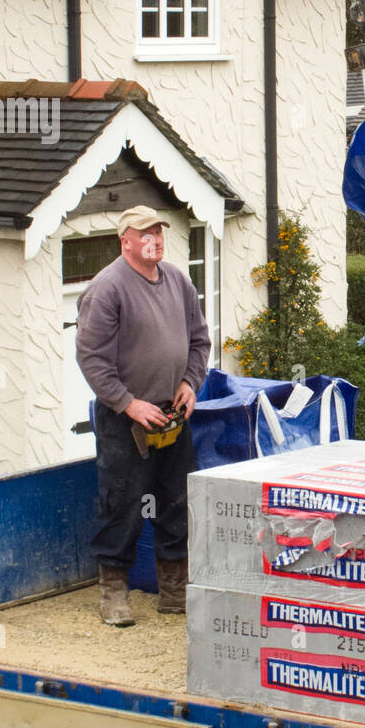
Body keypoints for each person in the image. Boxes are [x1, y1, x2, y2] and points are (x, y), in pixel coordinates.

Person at [75, 206, 211, 626]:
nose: (154, 237)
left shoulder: (178, 281)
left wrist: (190, 381)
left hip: (173, 414)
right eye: (144, 232)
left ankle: (174, 590)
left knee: (176, 502)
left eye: (158, 230)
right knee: (123, 504)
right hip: (126, 419)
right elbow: (92, 358)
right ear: (125, 241)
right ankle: (113, 592)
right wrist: (128, 403)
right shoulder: (107, 288)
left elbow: (199, 341)